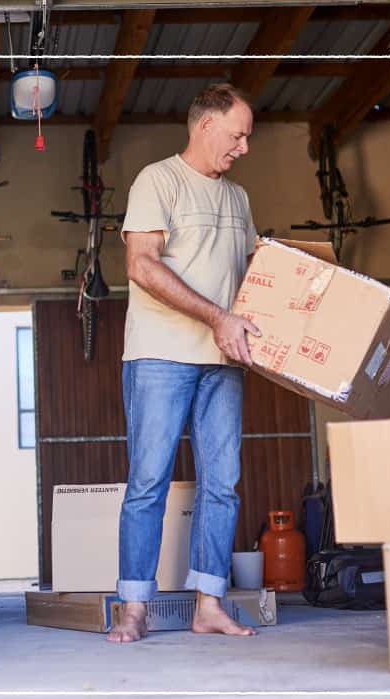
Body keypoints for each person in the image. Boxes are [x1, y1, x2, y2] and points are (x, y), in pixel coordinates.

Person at [109, 83, 261, 644]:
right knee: (148, 482)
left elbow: (253, 277)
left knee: (223, 484)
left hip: (224, 359)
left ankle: (209, 605)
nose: (244, 147)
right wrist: (217, 316)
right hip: (160, 355)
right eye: (237, 134)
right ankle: (134, 609)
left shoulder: (239, 199)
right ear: (205, 126)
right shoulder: (159, 180)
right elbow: (142, 265)